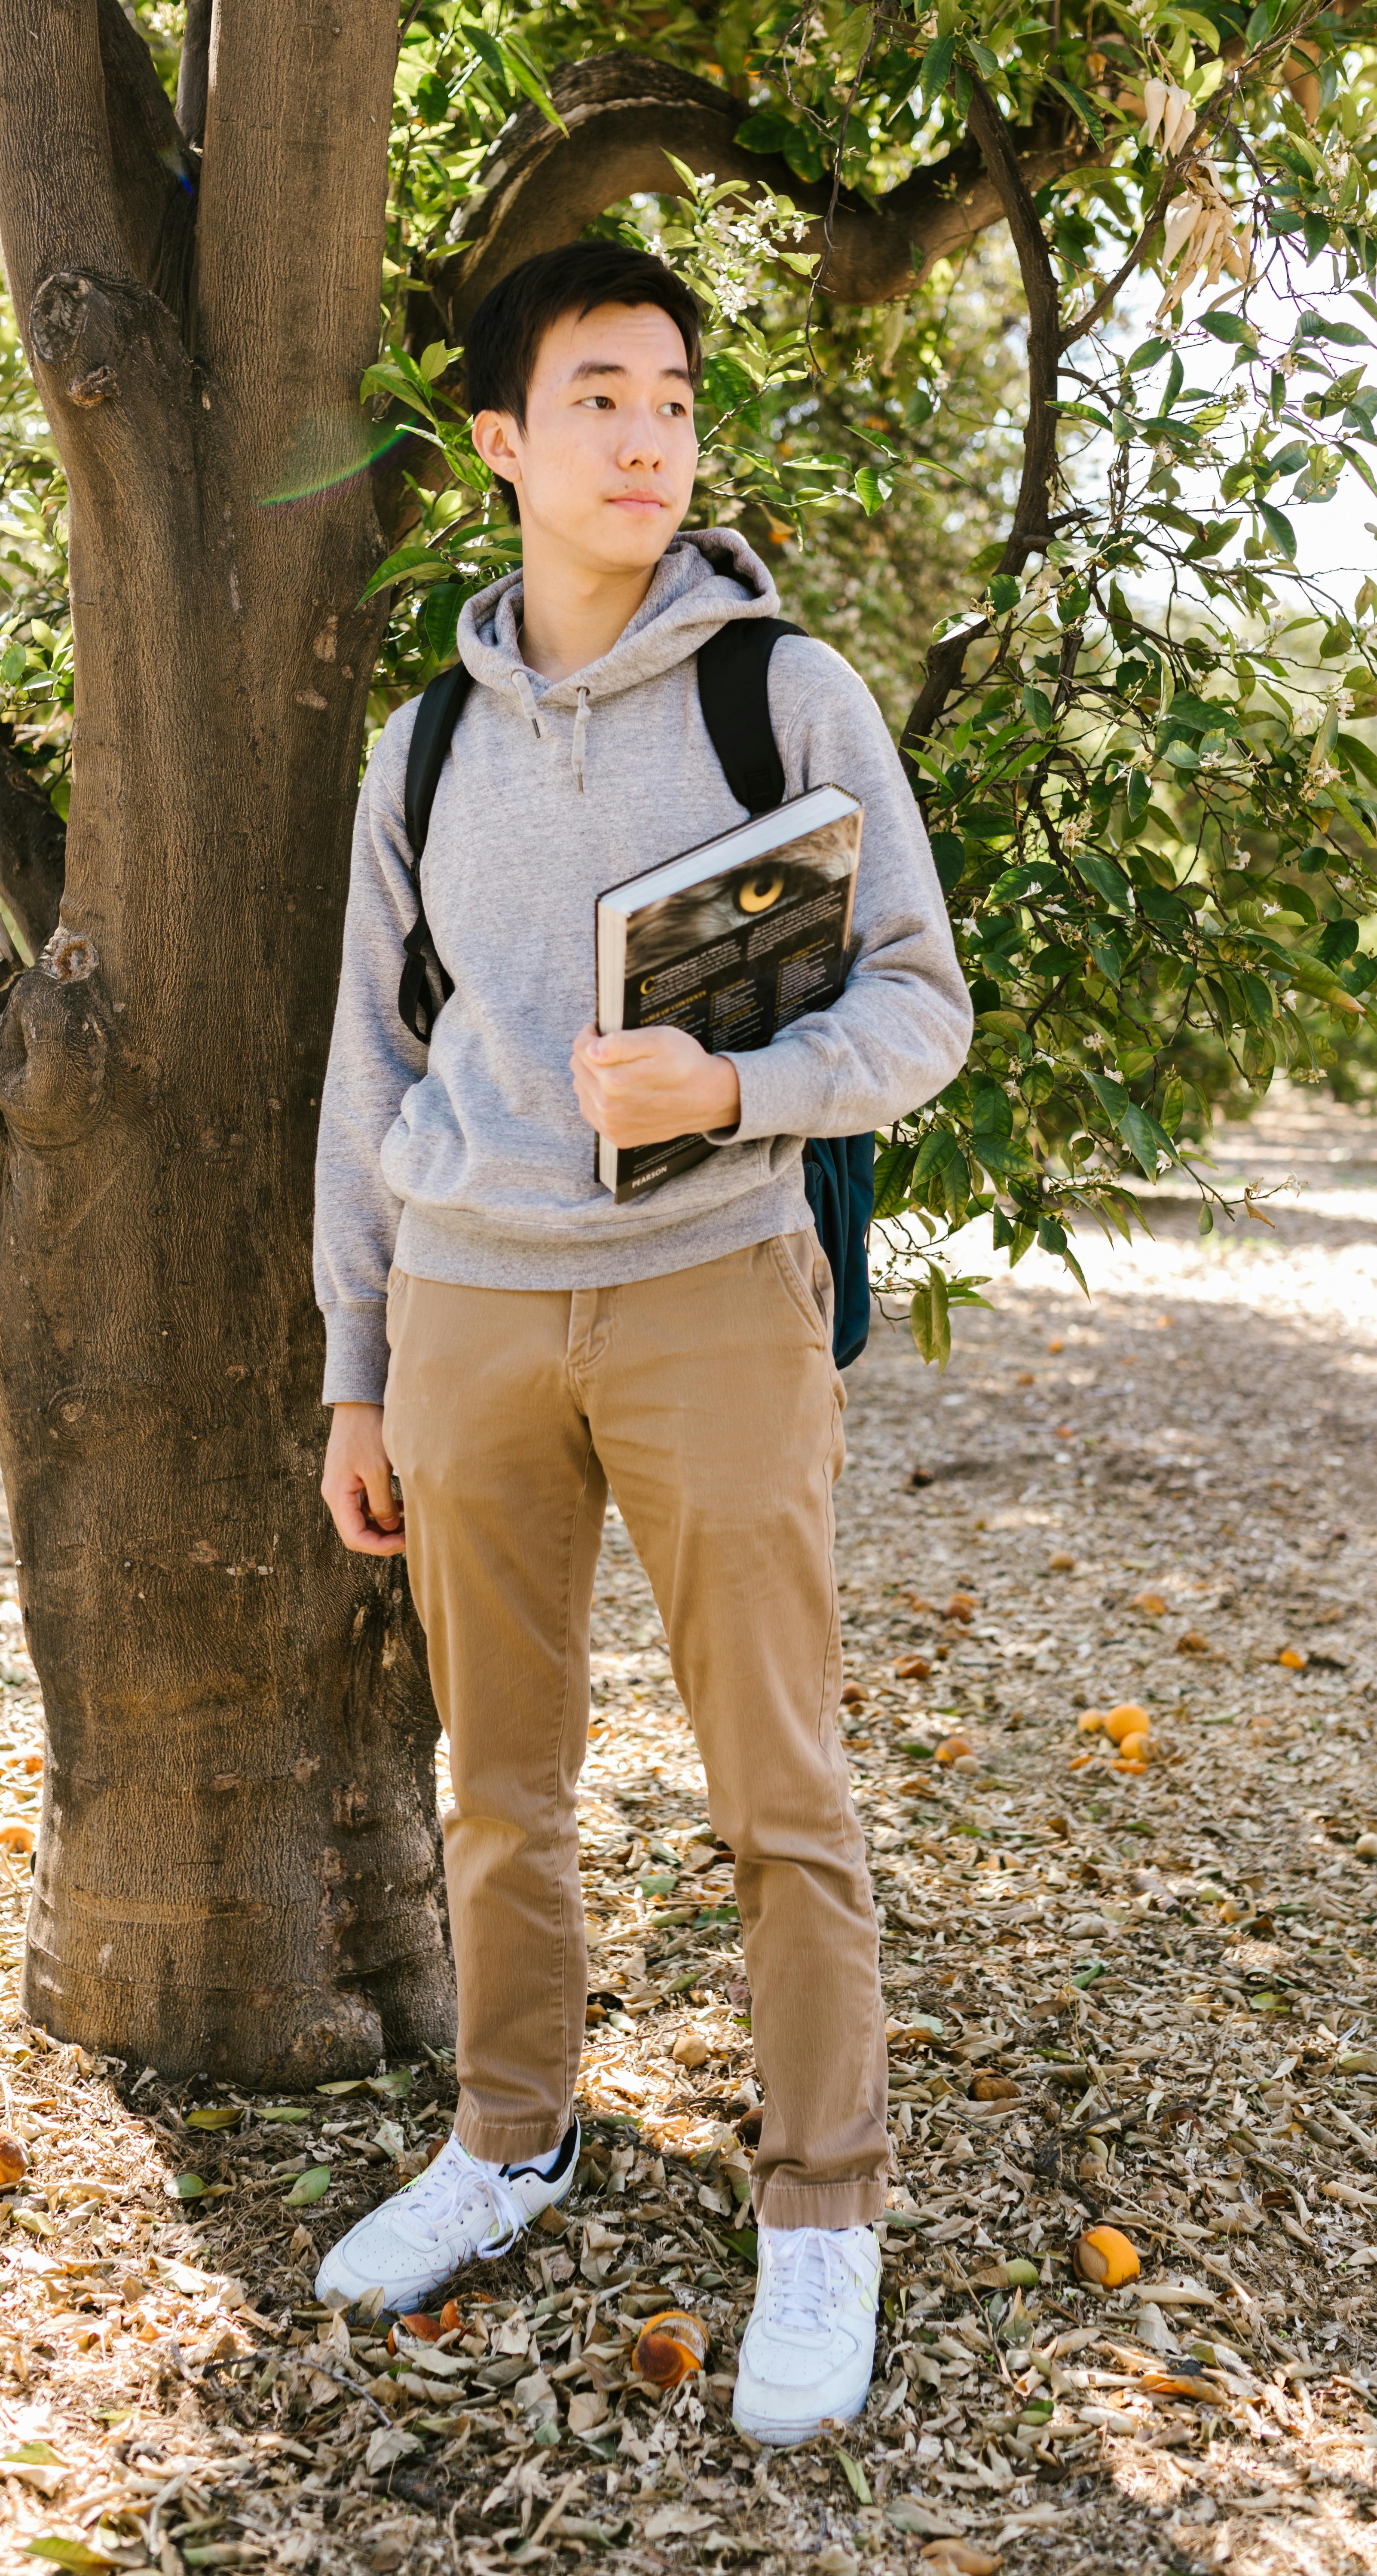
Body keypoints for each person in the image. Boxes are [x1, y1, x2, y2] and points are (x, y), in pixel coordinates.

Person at [312, 239, 972, 2445]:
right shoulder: (421, 748)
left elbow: (918, 1005)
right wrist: (353, 1362)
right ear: (498, 441)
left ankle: (823, 2212)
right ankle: (509, 2138)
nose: (646, 437)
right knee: (496, 1790)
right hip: (471, 1312)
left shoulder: (778, 692)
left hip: (716, 1294)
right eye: (597, 397)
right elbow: (363, 1075)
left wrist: (736, 1092)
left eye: (672, 397)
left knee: (778, 1786)